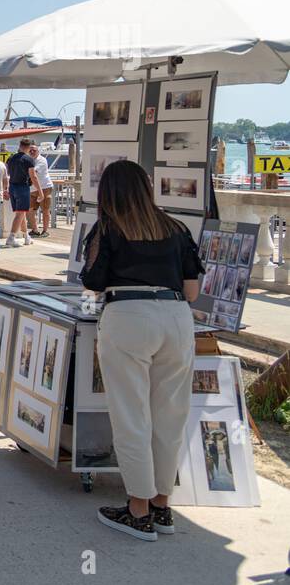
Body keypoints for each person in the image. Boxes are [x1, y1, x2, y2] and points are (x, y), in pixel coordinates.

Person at [80, 159, 203, 542]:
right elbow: (193, 290)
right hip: (176, 317)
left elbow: (93, 282)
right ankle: (163, 504)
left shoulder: (109, 228)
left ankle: (138, 510)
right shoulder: (176, 228)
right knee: (171, 414)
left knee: (132, 415)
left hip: (129, 315)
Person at [4, 138, 42, 248]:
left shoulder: (10, 158)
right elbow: (33, 176)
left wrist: (6, 188)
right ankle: (11, 238)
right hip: (22, 188)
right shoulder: (29, 160)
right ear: (29, 147)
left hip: (12, 187)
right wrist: (40, 191)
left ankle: (26, 237)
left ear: (19, 145)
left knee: (21, 213)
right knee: (20, 213)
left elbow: (6, 175)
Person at [27, 146, 54, 237]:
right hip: (32, 189)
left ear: (38, 151)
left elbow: (33, 172)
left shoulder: (42, 160)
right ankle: (34, 230)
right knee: (30, 210)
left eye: (34, 150)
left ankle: (45, 230)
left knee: (45, 209)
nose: (31, 152)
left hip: (44, 187)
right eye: (30, 150)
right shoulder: (28, 160)